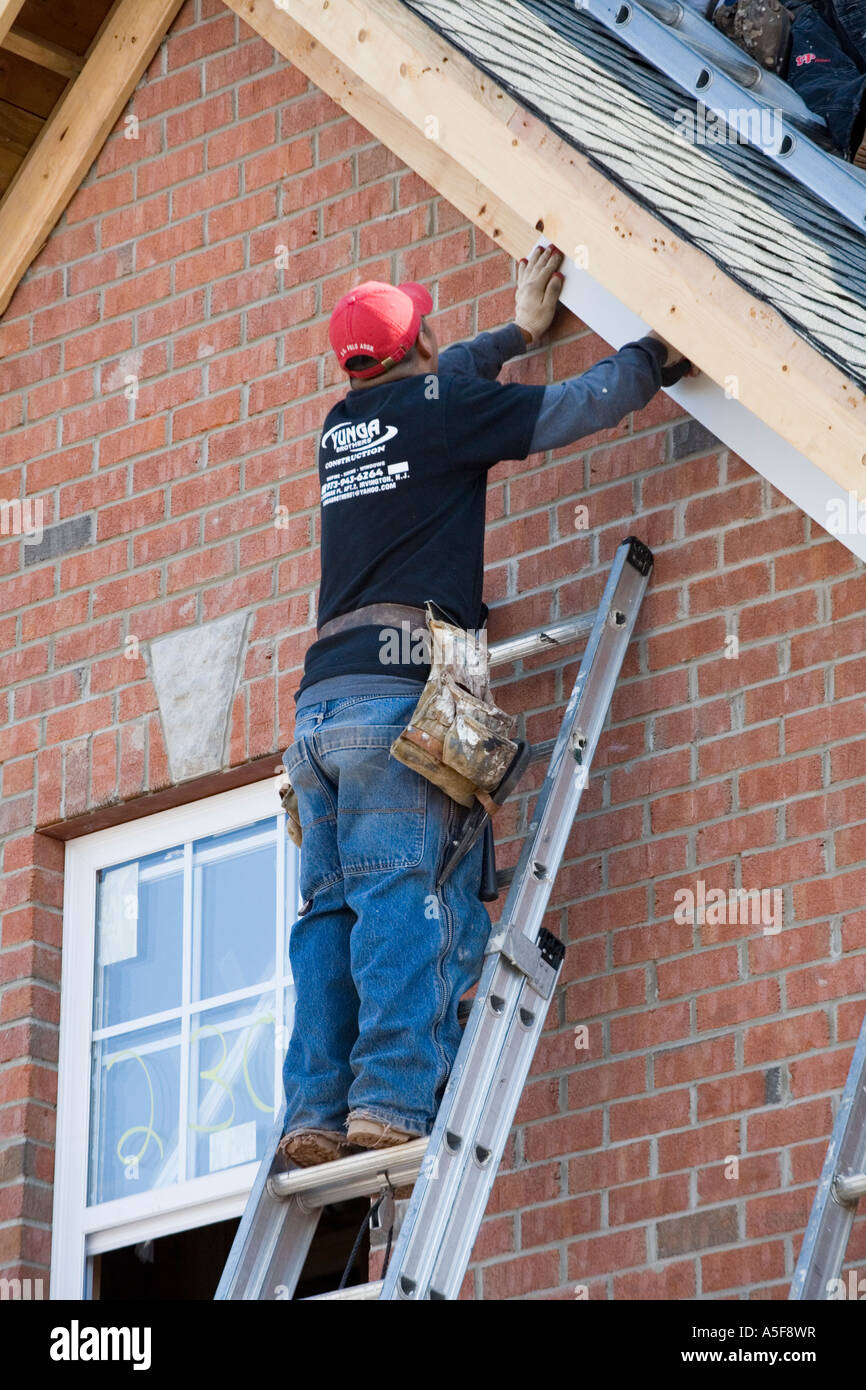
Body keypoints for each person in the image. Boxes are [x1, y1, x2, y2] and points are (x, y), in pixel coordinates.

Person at [278, 246, 692, 1167]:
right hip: (396, 703)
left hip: (318, 716)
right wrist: (657, 351)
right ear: (420, 335)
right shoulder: (440, 413)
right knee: (403, 899)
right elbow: (576, 407)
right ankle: (388, 1097)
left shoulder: (341, 427)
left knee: (330, 917)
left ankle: (313, 1107)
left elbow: (444, 386)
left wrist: (517, 331)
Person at [712, 0, 866, 161]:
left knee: (820, 82)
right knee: (822, 81)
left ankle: (855, 123)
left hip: (805, 21)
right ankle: (857, 121)